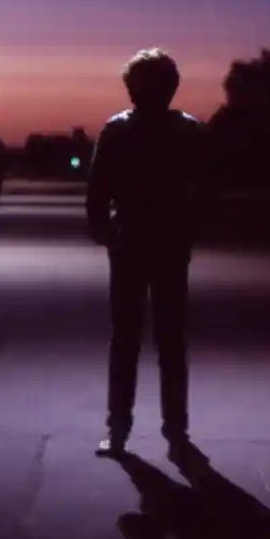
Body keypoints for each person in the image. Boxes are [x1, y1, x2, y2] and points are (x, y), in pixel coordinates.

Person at [86, 47, 209, 465]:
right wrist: (106, 233)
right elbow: (98, 191)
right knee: (145, 340)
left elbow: (207, 189)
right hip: (141, 244)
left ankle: (157, 431)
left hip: (157, 244)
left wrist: (105, 231)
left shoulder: (181, 131)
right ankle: (141, 431)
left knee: (151, 340)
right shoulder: (123, 131)